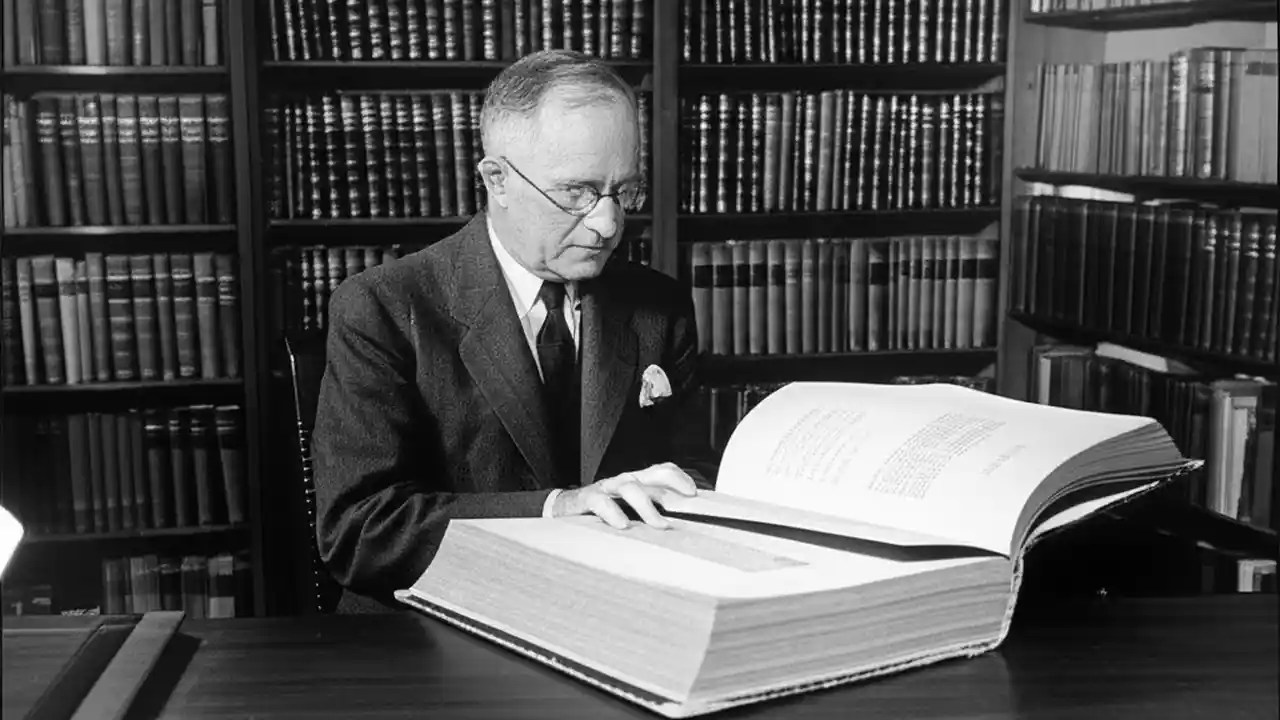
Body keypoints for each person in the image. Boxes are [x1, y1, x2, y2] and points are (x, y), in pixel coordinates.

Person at [311, 50, 702, 612]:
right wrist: (556, 510)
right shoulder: (383, 307)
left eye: (624, 191)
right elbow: (359, 532)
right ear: (497, 179)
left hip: (620, 615)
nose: (608, 223)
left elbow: (695, 470)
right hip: (439, 636)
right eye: (577, 192)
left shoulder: (659, 304)